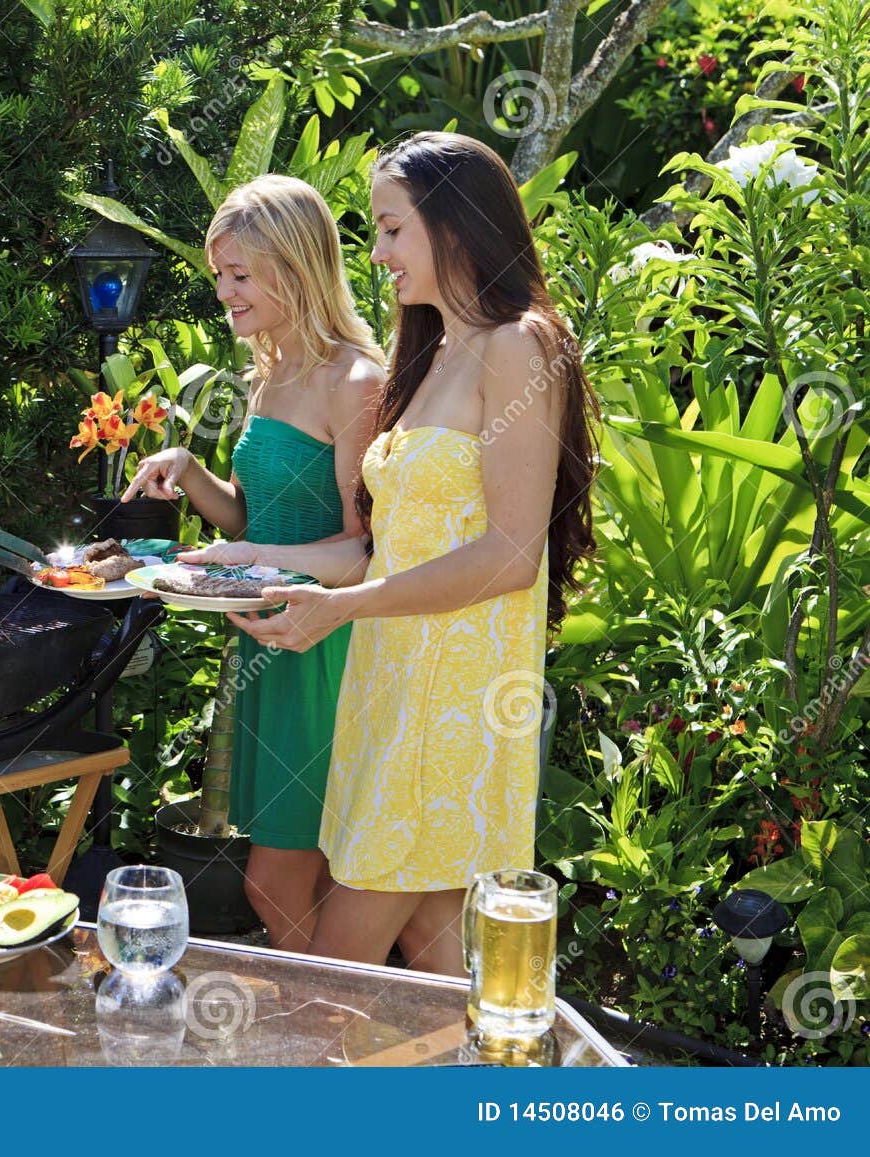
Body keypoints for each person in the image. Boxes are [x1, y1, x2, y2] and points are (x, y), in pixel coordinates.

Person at [186, 132, 598, 973]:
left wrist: (343, 607)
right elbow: (381, 549)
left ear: (456, 225)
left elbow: (513, 554)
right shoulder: (432, 350)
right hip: (387, 684)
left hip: (453, 704)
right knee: (441, 969)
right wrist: (257, 571)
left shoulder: (521, 344)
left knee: (331, 981)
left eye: (391, 229)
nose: (375, 254)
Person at [121, 175, 385, 951]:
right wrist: (191, 472)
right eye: (219, 277)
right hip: (269, 644)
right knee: (319, 877)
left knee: (279, 882)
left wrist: (255, 556)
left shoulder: (357, 382)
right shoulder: (268, 374)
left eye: (240, 276)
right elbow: (251, 515)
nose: (226, 294)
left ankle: (331, 1032)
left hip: (326, 647)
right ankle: (349, 1041)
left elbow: (364, 550)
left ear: (296, 267)